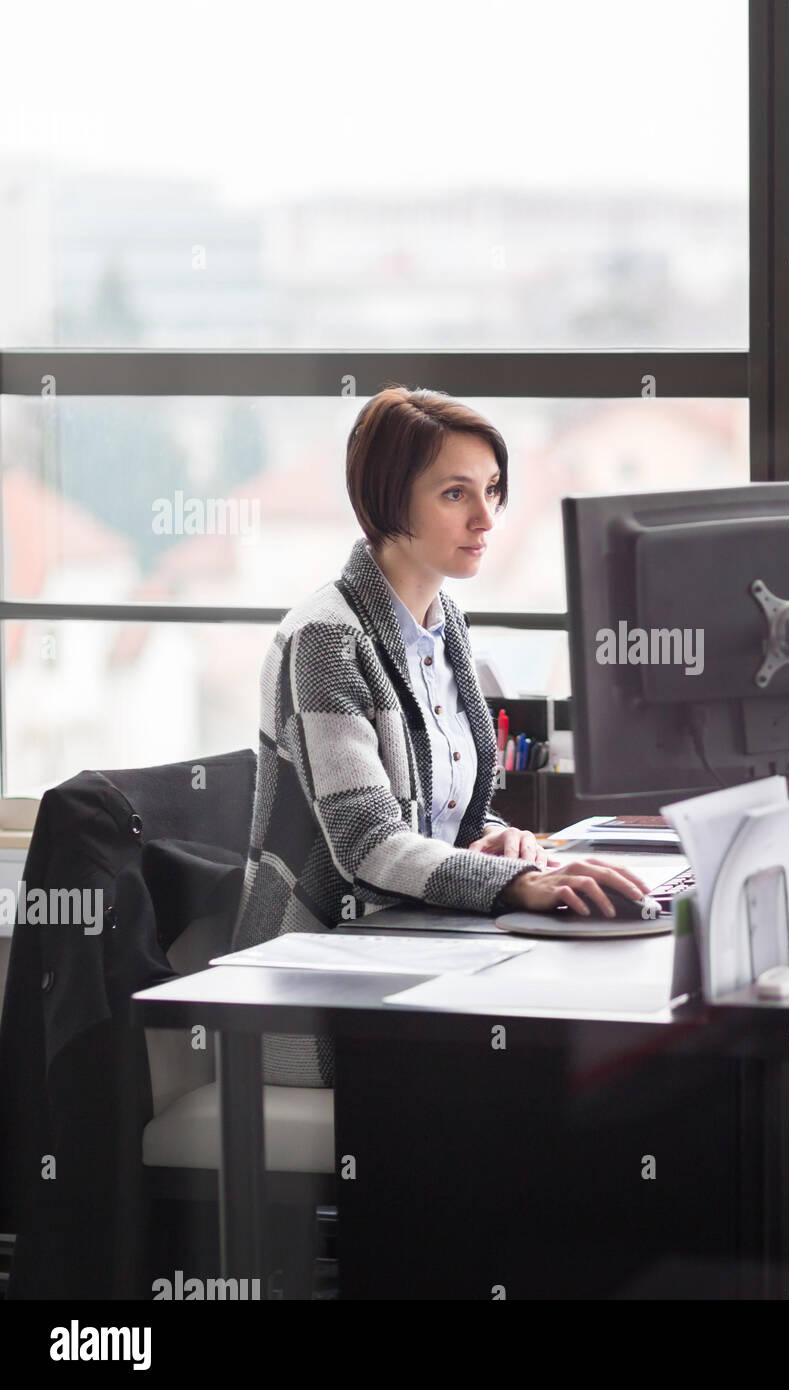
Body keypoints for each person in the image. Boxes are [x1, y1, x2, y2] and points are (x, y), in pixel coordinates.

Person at [231, 385, 648, 1086]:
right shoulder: (325, 639)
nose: (486, 517)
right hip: (316, 991)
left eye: (491, 489)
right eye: (456, 494)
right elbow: (367, 841)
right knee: (545, 1075)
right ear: (389, 500)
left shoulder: (442, 620)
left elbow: (434, 811)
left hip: (413, 950)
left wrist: (491, 836)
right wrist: (515, 883)